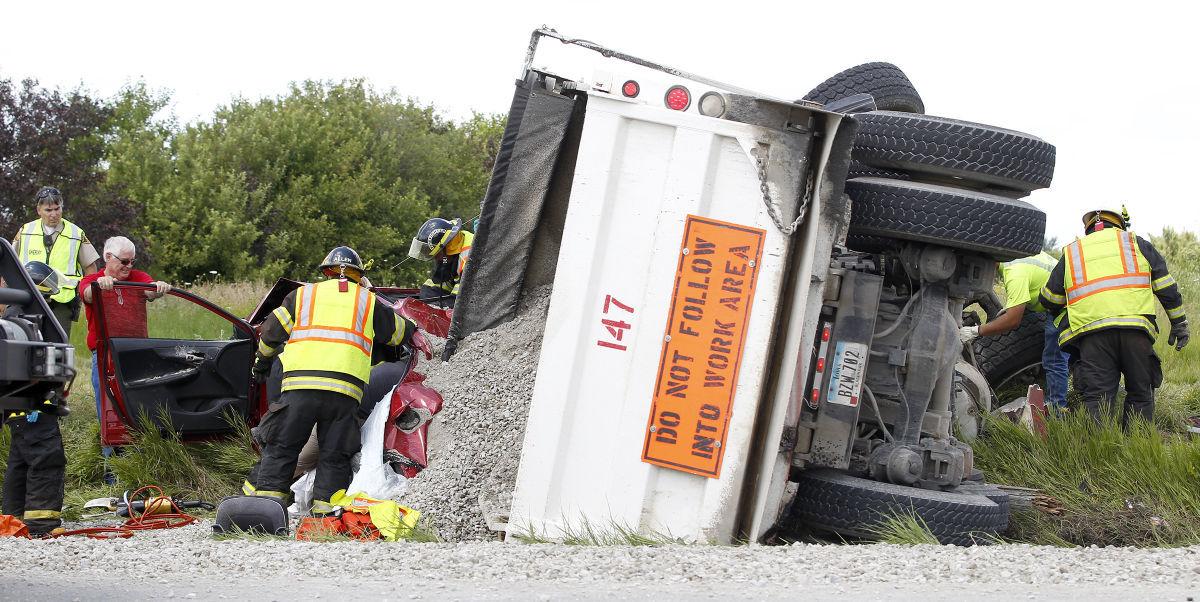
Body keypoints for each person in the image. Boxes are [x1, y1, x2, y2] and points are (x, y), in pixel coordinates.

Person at [243, 246, 413, 515]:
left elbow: (271, 332)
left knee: (282, 448)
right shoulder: (367, 302)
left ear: (326, 272)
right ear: (359, 276)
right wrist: (408, 322)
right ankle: (324, 519)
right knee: (335, 455)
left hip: (299, 389)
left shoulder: (302, 296)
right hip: (344, 395)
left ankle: (263, 513)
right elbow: (399, 333)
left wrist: (261, 364)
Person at [1039, 208, 1189, 428]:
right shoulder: (1136, 243)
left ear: (1088, 228)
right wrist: (1179, 323)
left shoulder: (1073, 252)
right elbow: (1166, 288)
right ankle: (1138, 442)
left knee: (1097, 399)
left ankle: (1100, 446)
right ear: (1119, 225)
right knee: (1140, 394)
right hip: (1136, 332)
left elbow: (1049, 298)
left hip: (1092, 337)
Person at [77, 237, 172, 461]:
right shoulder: (91, 280)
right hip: (105, 356)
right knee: (109, 411)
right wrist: (99, 285)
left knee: (139, 408)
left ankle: (140, 461)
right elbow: (86, 294)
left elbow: (150, 291)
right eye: (125, 261)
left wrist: (159, 288)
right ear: (108, 257)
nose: (129, 267)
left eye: (132, 262)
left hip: (136, 354)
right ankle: (113, 470)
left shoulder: (138, 278)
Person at [2, 262, 68, 537]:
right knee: (46, 457)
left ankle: (12, 519)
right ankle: (41, 523)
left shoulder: (12, 315)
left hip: (15, 405)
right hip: (33, 403)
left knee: (20, 459)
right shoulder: (29, 318)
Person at [959, 251, 1070, 410]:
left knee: (1054, 358)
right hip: (1063, 301)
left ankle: (1057, 411)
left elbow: (1013, 320)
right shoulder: (1018, 256)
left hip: (1067, 307)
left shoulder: (1014, 272)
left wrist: (976, 331)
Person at [11, 186, 100, 336]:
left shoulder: (76, 233)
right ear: (39, 210)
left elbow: (90, 267)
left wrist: (87, 296)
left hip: (62, 302)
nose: (54, 214)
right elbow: (10, 263)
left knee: (57, 345)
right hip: (28, 297)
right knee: (24, 341)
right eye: (48, 210)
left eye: (57, 209)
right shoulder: (25, 231)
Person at [409, 217, 472, 308]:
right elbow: (437, 283)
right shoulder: (452, 251)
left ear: (448, 247)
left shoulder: (470, 257)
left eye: (437, 254)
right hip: (458, 283)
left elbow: (462, 297)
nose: (435, 258)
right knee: (428, 290)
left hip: (476, 296)